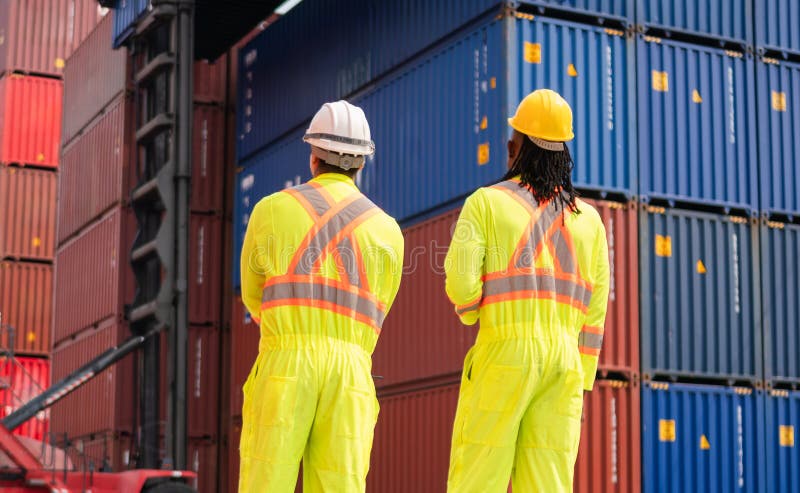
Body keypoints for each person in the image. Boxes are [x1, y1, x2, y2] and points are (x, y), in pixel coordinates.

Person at [444, 89, 610, 492]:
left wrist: (473, 312)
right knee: (549, 483)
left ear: (512, 147)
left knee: (478, 477)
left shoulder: (485, 204)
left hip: (503, 355)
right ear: (562, 154)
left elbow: (461, 288)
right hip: (565, 367)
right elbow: (596, 312)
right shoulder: (590, 221)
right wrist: (579, 376)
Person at [238, 100, 404, 492]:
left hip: (285, 365)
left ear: (313, 157)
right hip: (350, 373)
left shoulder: (271, 210)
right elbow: (379, 308)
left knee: (266, 480)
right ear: (362, 164)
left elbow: (252, 295)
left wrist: (291, 327)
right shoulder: (388, 231)